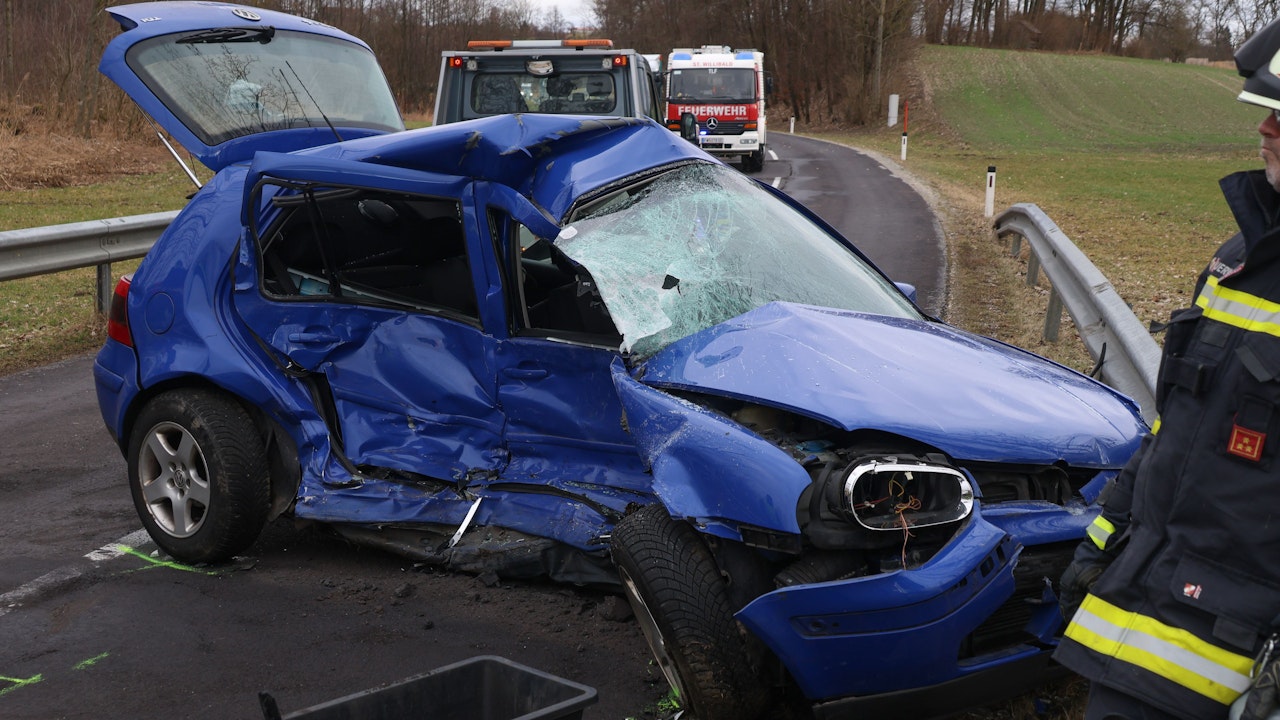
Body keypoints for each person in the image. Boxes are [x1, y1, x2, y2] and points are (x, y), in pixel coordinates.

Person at [1054, 18, 1280, 720]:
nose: (1267, 129)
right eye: (1268, 112)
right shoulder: (1239, 262)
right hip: (1143, 620)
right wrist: (1103, 539)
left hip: (1235, 659)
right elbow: (1176, 429)